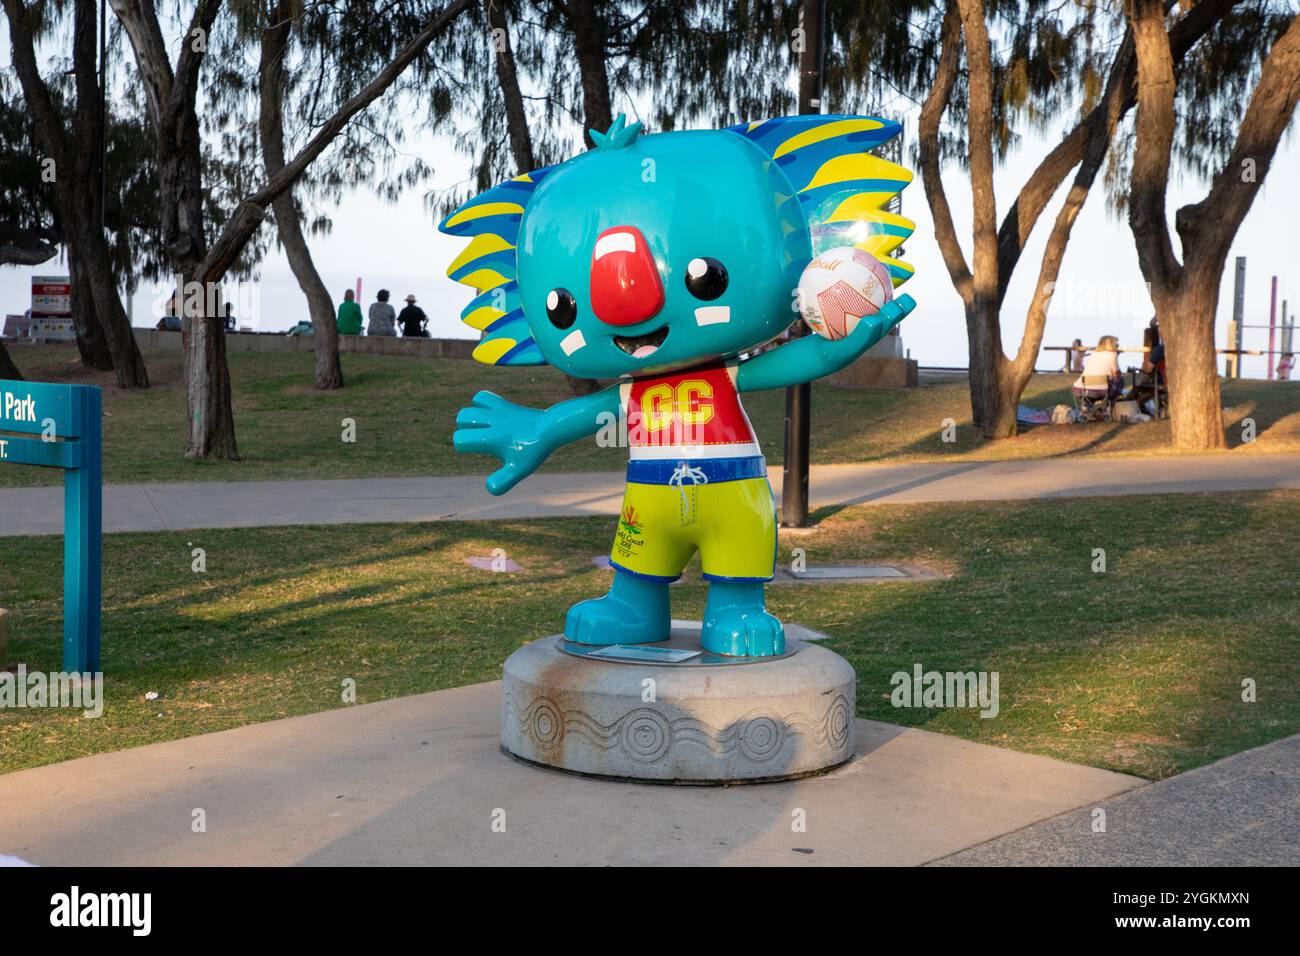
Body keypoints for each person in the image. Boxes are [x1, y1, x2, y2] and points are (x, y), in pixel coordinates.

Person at [1072, 334, 1123, 402]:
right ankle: (1108, 404)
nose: (1117, 346)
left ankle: (1089, 409)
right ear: (1110, 345)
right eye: (1116, 344)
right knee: (1120, 380)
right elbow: (1117, 374)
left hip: (1079, 390)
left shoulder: (1094, 354)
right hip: (1099, 391)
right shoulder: (1112, 354)